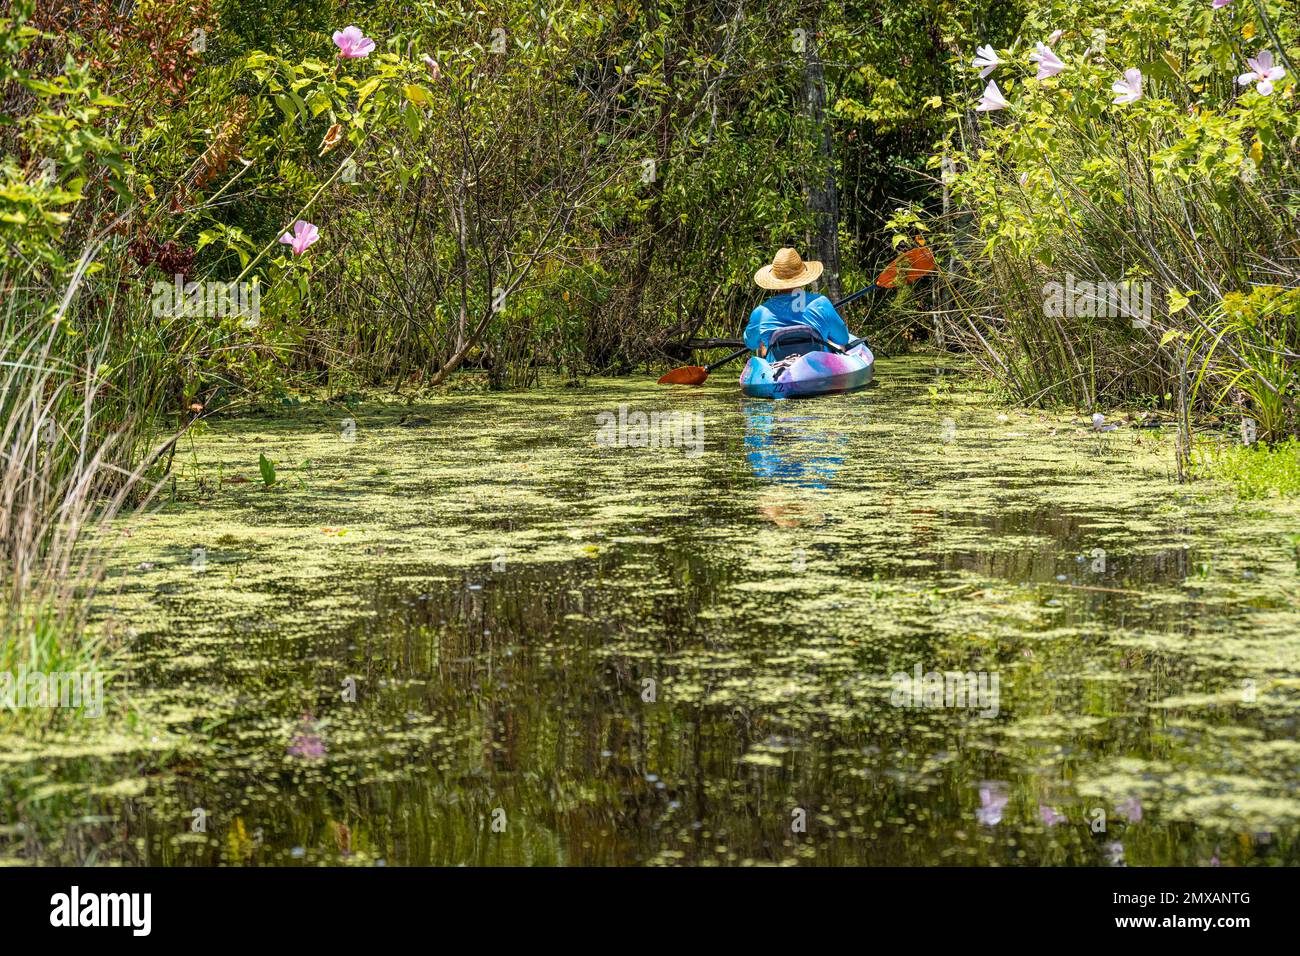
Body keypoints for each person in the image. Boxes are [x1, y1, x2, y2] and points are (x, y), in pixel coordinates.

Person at [743, 247, 848, 358]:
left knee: (761, 347)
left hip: (778, 370)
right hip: (819, 368)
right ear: (802, 277)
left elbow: (750, 343)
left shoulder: (760, 312)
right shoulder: (821, 303)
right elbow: (843, 338)